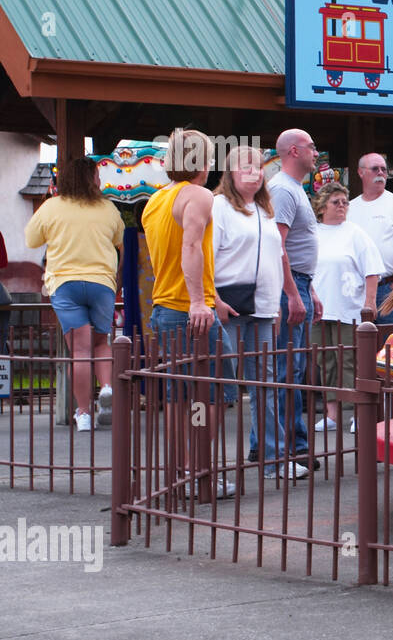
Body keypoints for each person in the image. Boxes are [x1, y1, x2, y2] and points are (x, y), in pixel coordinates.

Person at [141, 129, 231, 497]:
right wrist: (199, 301)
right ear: (201, 161)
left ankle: (181, 473)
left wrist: (212, 296)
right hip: (189, 311)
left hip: (164, 309)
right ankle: (201, 474)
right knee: (210, 396)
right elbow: (191, 246)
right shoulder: (198, 195)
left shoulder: (155, 201)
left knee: (180, 398)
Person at [210, 144, 296, 477]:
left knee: (267, 384)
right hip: (229, 305)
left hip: (262, 308)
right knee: (222, 385)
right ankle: (210, 465)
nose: (255, 173)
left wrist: (275, 307)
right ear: (230, 173)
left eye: (259, 167)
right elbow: (207, 255)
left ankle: (272, 457)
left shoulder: (266, 210)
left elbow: (275, 260)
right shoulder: (218, 206)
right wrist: (214, 299)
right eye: (247, 167)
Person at [24, 155, 123, 430]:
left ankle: (83, 415)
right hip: (101, 282)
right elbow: (120, 240)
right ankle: (106, 388)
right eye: (97, 176)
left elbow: (31, 239)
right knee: (101, 343)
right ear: (91, 179)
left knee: (79, 350)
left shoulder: (51, 207)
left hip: (65, 283)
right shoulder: (107, 208)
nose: (101, 181)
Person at [267, 128, 324, 466]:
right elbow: (278, 247)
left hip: (300, 282)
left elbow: (296, 249)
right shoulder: (283, 191)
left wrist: (309, 288)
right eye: (312, 146)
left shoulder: (293, 189)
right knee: (286, 368)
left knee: (294, 367)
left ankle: (292, 444)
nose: (316, 152)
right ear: (293, 151)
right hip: (290, 285)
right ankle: (287, 447)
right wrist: (293, 292)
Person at [311, 183, 382, 434]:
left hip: (349, 307)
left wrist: (370, 302)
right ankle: (332, 414)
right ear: (321, 207)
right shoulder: (313, 233)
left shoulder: (355, 233)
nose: (342, 206)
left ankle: (358, 413)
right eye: (336, 202)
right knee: (325, 360)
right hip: (320, 308)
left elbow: (371, 270)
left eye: (345, 202)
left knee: (351, 360)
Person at [347, 152, 393, 324]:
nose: (380, 173)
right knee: (358, 347)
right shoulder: (350, 208)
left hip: (388, 288)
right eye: (374, 169)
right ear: (360, 172)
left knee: (389, 346)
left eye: (383, 170)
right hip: (355, 289)